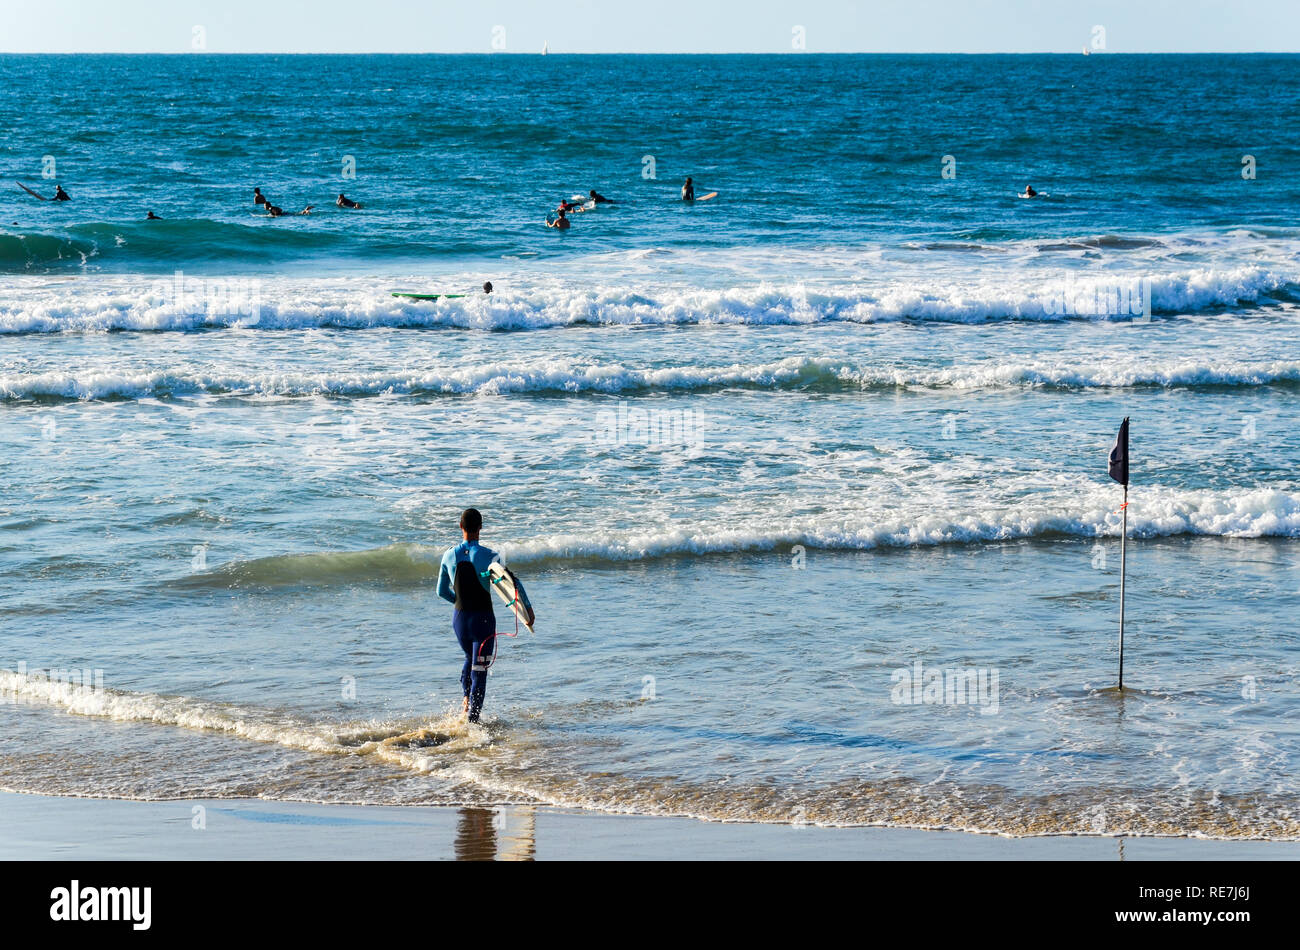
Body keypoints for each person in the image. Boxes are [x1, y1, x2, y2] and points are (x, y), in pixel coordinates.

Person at [437, 508, 532, 723]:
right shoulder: (491, 556)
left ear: (460, 527)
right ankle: (473, 723)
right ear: (480, 527)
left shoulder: (448, 555)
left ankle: (465, 700)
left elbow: (441, 591)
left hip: (460, 620)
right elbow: (513, 583)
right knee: (479, 669)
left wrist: (460, 604)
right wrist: (527, 612)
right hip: (483, 621)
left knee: (469, 658)